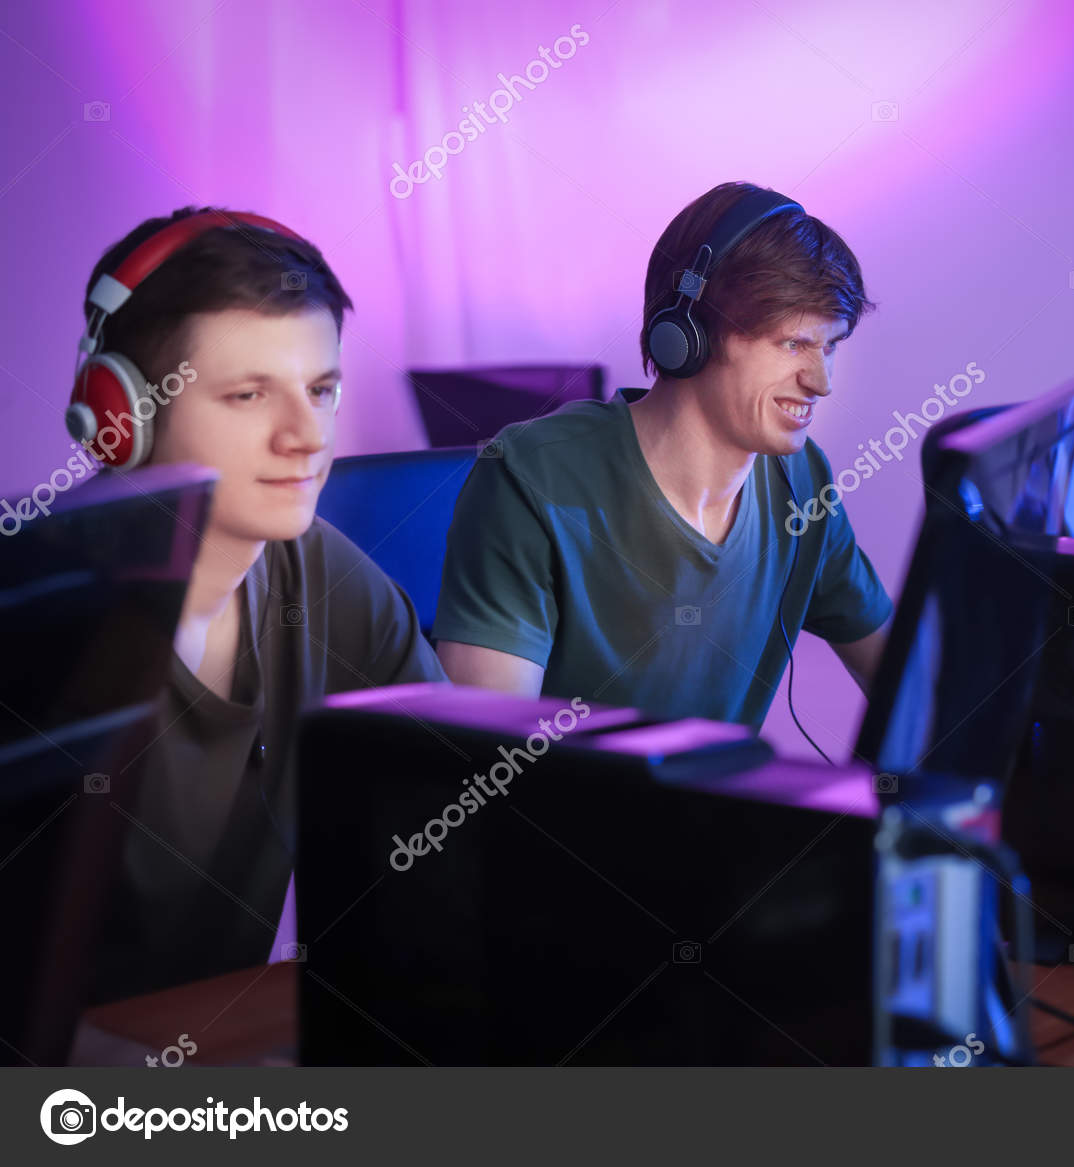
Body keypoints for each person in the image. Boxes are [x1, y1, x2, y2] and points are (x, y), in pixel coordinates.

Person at [68, 207, 445, 999]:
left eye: (322, 388)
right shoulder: (42, 620)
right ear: (120, 419)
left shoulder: (324, 578)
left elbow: (457, 794)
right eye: (247, 395)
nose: (307, 435)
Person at [434, 182, 893, 728]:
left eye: (831, 346)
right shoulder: (532, 477)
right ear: (686, 335)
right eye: (792, 344)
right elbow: (489, 757)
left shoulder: (803, 481)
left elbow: (906, 682)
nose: (820, 382)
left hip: (716, 810)